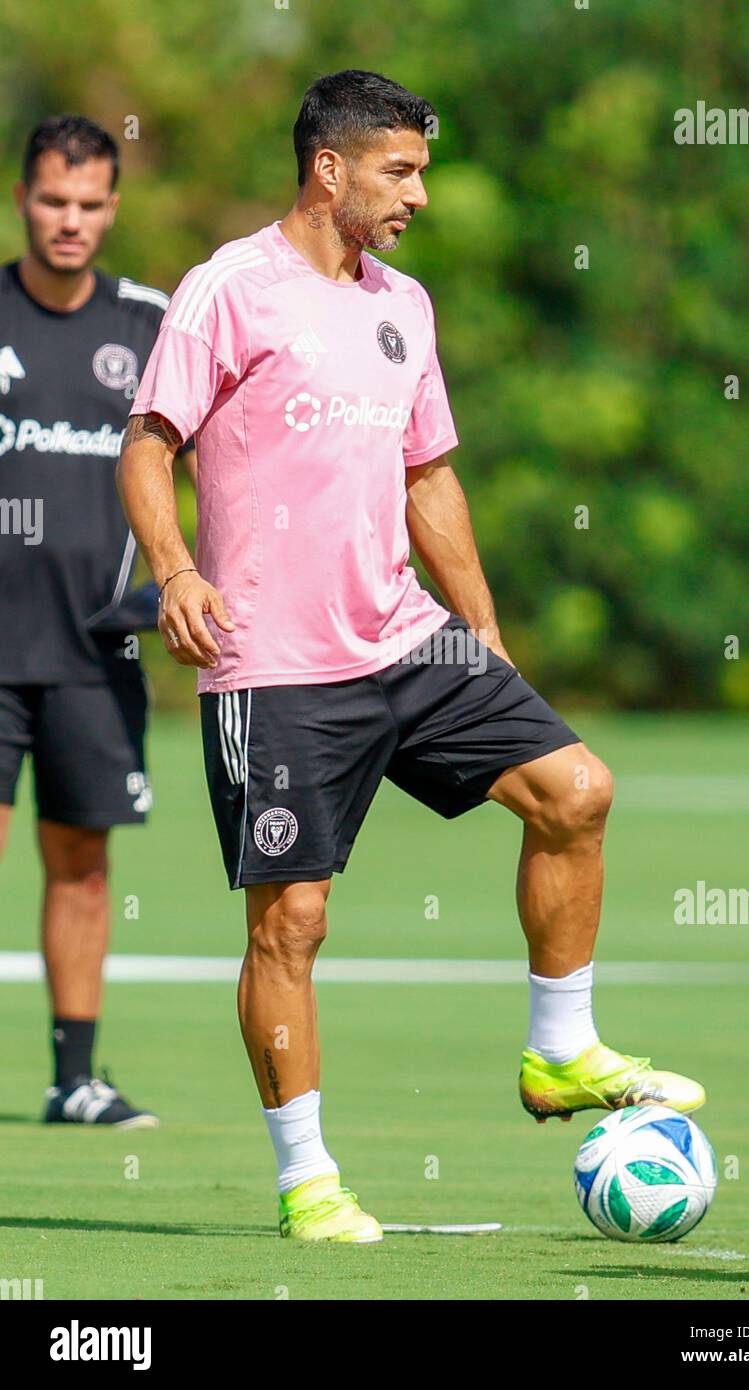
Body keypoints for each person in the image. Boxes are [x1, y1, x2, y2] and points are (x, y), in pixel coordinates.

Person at [118, 70, 704, 1240]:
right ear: (328, 169)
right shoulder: (225, 290)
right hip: (272, 662)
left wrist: (477, 619)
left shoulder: (405, 305)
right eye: (400, 169)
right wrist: (176, 571)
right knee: (292, 924)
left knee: (574, 789)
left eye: (422, 170)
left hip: (402, 635)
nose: (418, 194)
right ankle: (308, 1182)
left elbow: (427, 469)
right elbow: (147, 445)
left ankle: (558, 1051)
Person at [0, 115, 194, 1127]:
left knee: (83, 866)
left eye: (87, 205)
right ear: (23, 198)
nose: (69, 221)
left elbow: (221, 462)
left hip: (94, 646)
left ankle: (75, 1078)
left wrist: (186, 578)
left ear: (111, 207)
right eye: (50, 201)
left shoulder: (148, 325)